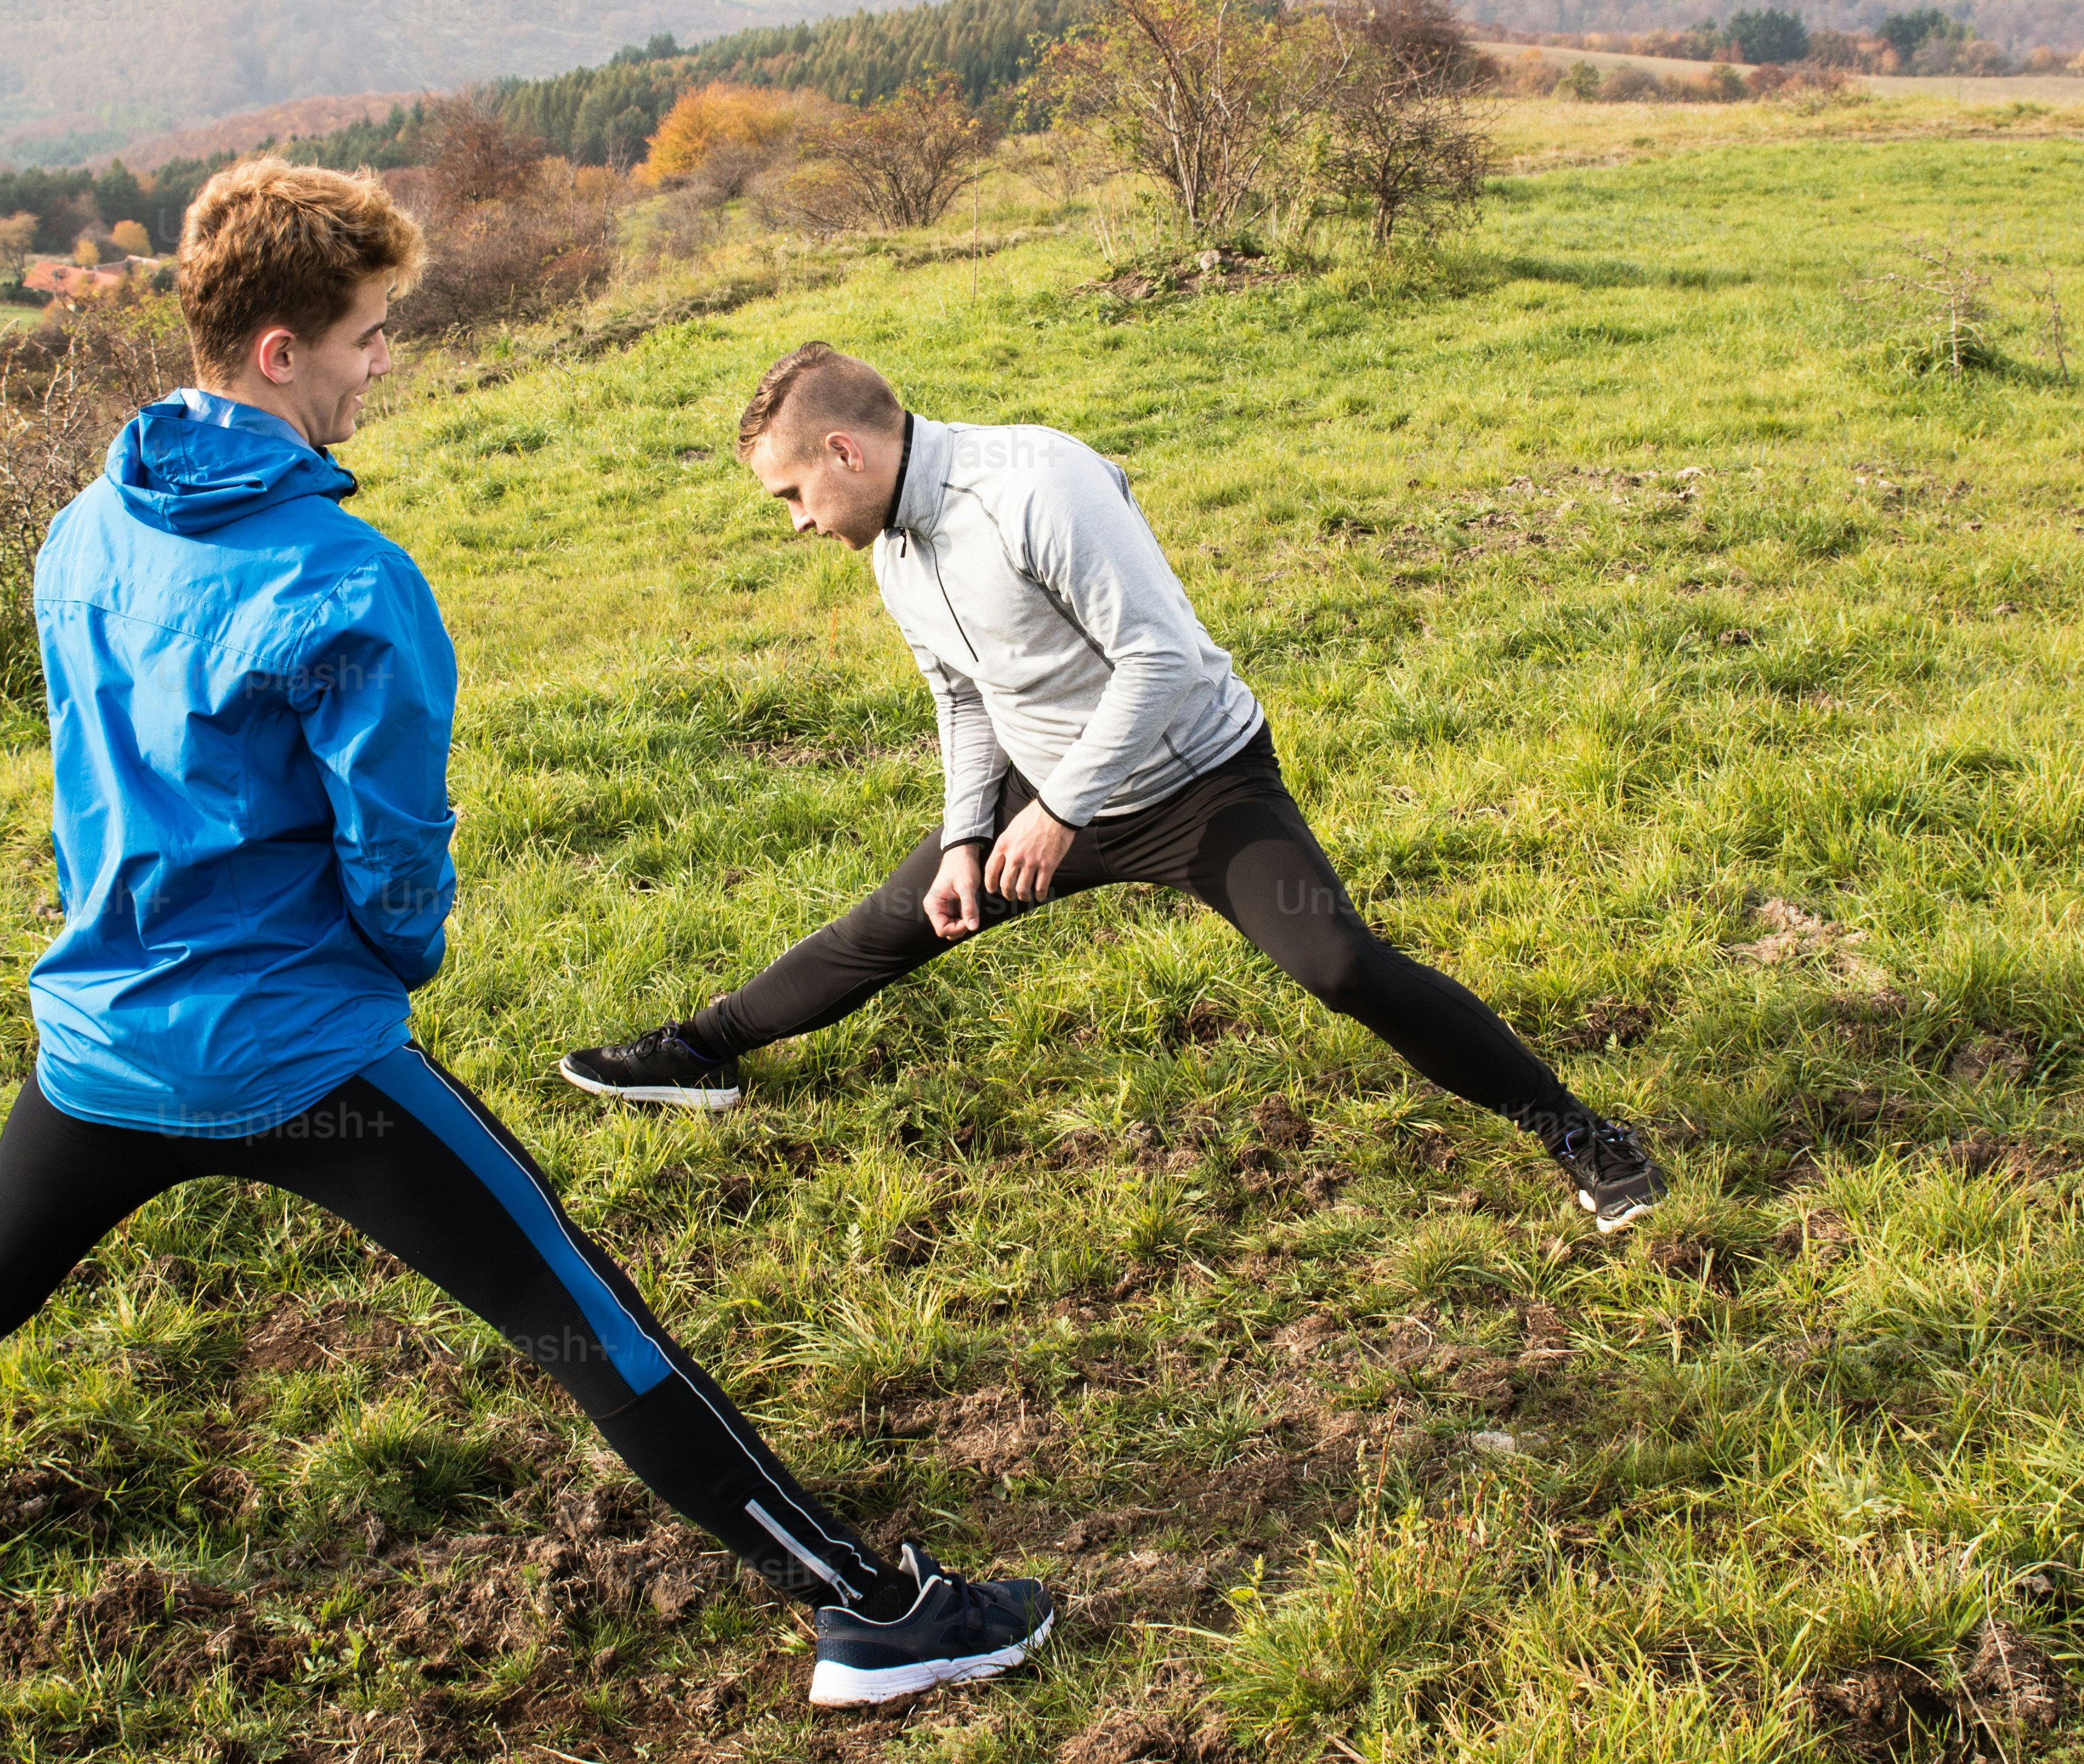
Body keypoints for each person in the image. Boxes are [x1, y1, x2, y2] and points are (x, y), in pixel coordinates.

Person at [0, 170, 1051, 1710]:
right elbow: (394, 848)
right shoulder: (348, 580)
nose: (381, 361)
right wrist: (394, 965)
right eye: (367, 337)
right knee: (591, 1328)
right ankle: (868, 1609)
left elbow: (83, 772)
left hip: (104, 1033)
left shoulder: (79, 530)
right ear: (278, 351)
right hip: (299, 1051)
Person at [561, 344, 1663, 1232]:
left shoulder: (1038, 484)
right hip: (1053, 799)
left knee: (1342, 966)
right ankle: (697, 1053)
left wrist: (1059, 811)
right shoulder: (895, 549)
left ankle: (1583, 1135)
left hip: (1198, 787)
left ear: (843, 451)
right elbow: (963, 696)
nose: (797, 523)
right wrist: (962, 841)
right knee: (890, 926)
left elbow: (1162, 658)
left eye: (793, 495)